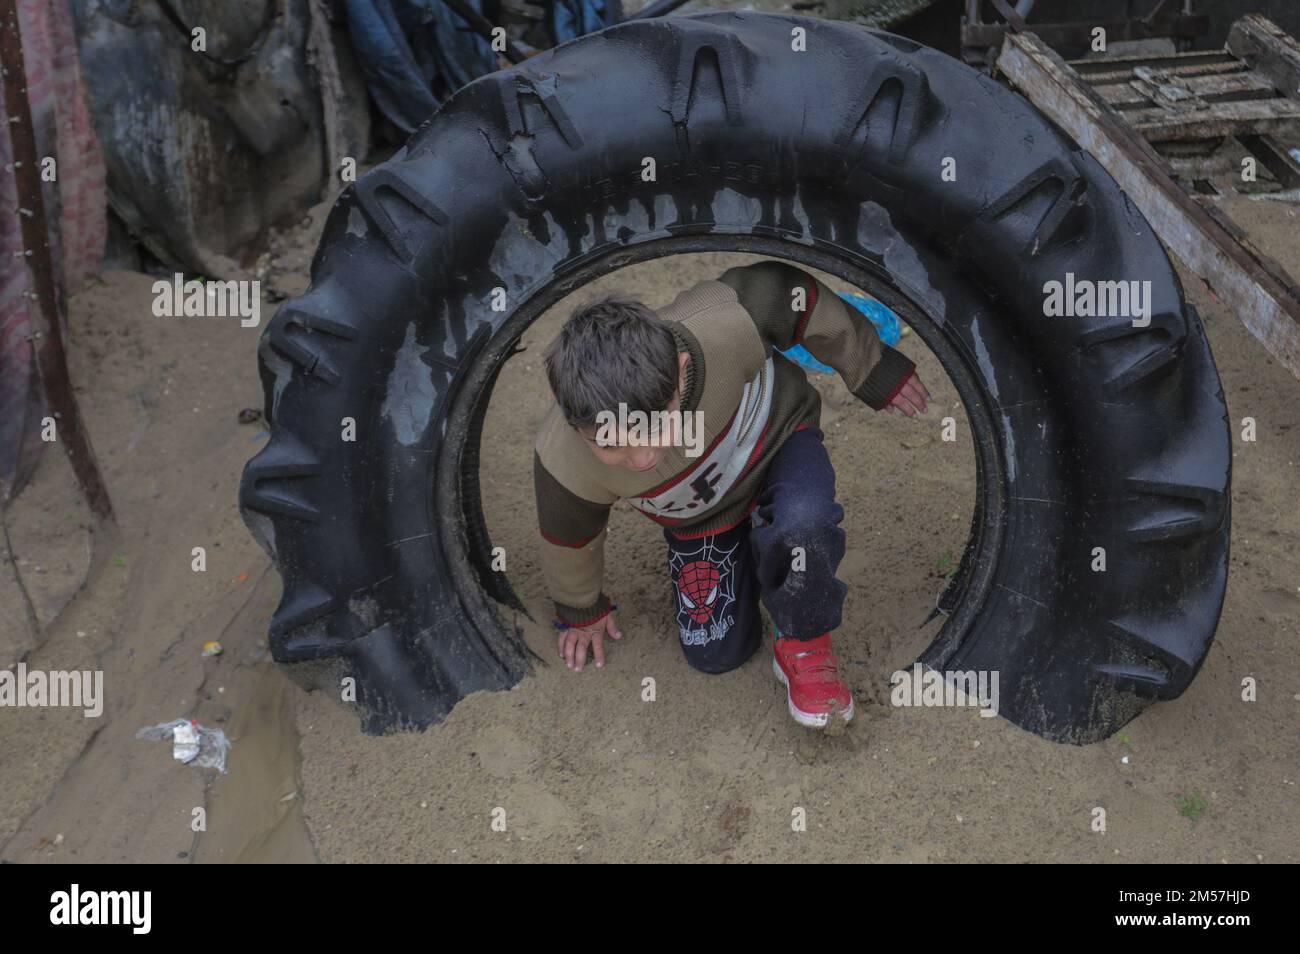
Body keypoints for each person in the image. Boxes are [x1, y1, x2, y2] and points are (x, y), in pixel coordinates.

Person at [534, 260, 930, 727]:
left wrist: (870, 364)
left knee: (804, 522)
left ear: (681, 374)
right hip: (701, 513)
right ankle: (752, 547)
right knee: (715, 652)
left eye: (655, 425)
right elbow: (569, 537)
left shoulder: (722, 325)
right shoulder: (563, 456)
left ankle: (803, 642)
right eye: (611, 443)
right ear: (572, 421)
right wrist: (581, 610)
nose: (643, 458)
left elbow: (791, 296)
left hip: (775, 443)